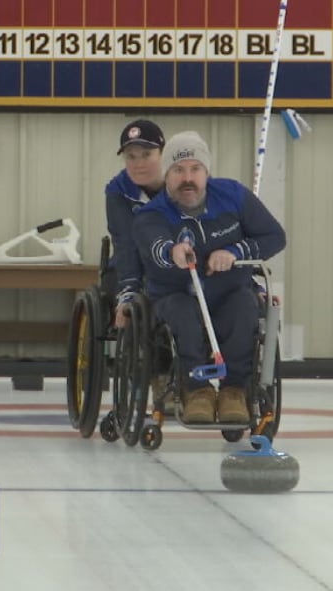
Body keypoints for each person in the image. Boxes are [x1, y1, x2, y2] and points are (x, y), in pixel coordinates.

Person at [132, 131, 286, 424]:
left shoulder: (234, 196)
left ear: (206, 172)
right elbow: (155, 245)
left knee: (244, 307)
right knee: (183, 313)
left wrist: (235, 252)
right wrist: (174, 252)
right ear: (166, 175)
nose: (187, 178)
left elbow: (274, 236)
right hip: (175, 293)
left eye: (195, 169)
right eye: (178, 170)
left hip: (230, 290)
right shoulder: (150, 215)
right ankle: (197, 390)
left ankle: (234, 391)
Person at [104, 119, 165, 329]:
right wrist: (129, 289)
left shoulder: (183, 183)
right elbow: (125, 242)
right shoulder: (118, 191)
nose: (139, 164)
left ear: (163, 153)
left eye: (146, 154)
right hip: (131, 267)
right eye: (131, 157)